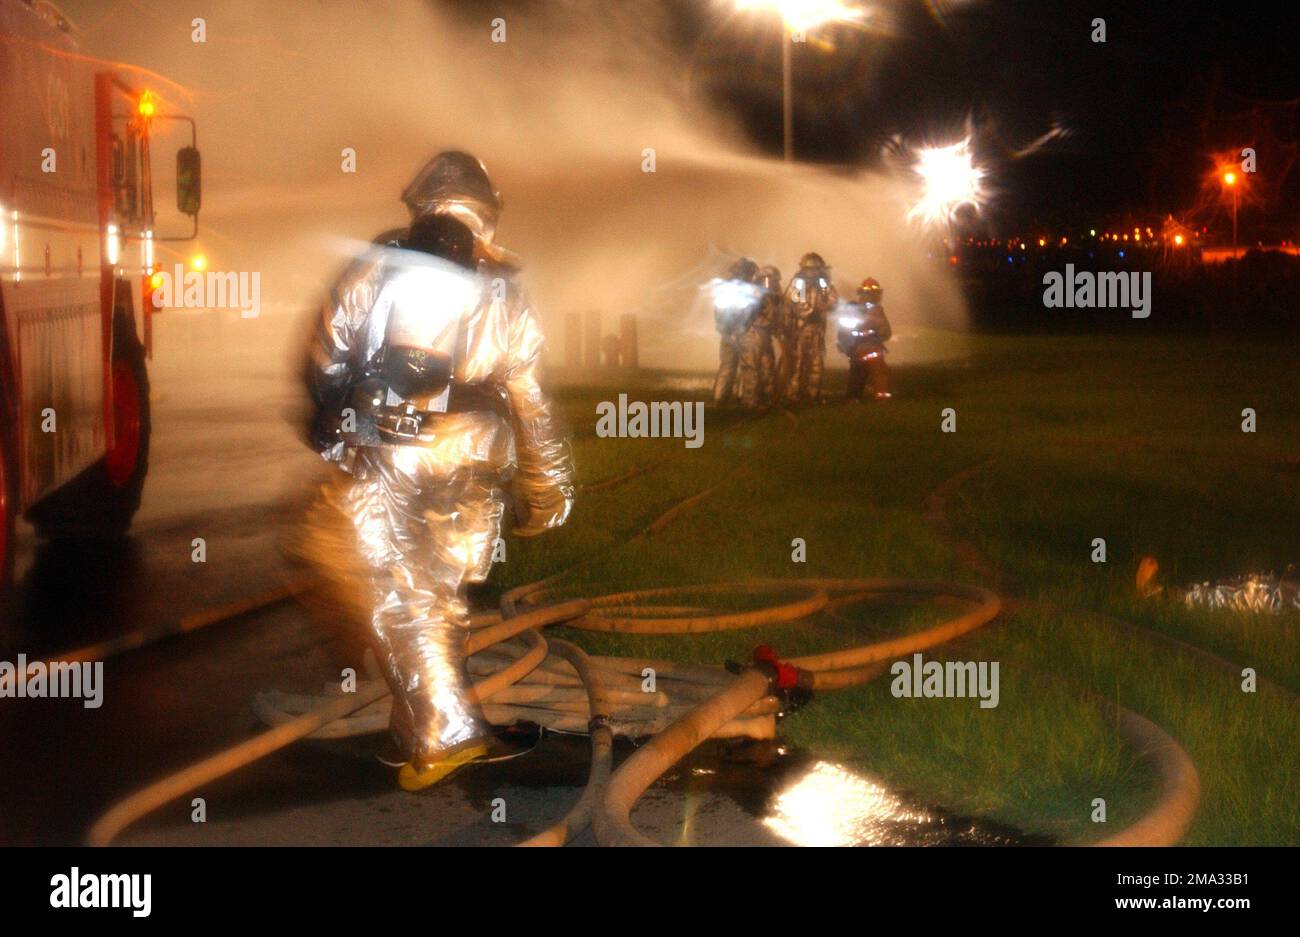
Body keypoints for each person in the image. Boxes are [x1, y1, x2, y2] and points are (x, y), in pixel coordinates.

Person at [300, 151, 573, 791]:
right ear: (489, 213)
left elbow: (327, 352)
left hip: (398, 442)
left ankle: (448, 732)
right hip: (478, 450)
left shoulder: (380, 264)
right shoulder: (510, 289)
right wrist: (547, 483)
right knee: (440, 596)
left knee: (395, 589)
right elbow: (531, 396)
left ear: (419, 204)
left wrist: (338, 428)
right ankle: (411, 725)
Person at [784, 252, 837, 403]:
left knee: (816, 363)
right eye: (810, 269)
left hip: (818, 330)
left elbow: (833, 300)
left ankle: (812, 394)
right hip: (800, 330)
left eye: (816, 269)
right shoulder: (798, 284)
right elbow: (797, 304)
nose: (813, 273)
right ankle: (793, 395)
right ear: (804, 269)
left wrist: (822, 308)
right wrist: (811, 311)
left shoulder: (823, 283)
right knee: (798, 363)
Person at [711, 257, 762, 404]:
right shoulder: (750, 290)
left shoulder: (725, 288)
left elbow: (719, 314)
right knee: (748, 366)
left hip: (727, 333)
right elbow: (752, 312)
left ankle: (720, 397)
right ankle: (748, 399)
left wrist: (726, 330)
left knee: (727, 365)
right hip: (742, 333)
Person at [837, 277, 893, 401]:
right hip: (872, 348)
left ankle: (852, 398)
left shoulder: (852, 310)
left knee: (857, 375)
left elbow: (843, 331)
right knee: (880, 373)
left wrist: (845, 346)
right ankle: (882, 398)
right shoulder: (876, 311)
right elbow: (886, 332)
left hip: (855, 349)